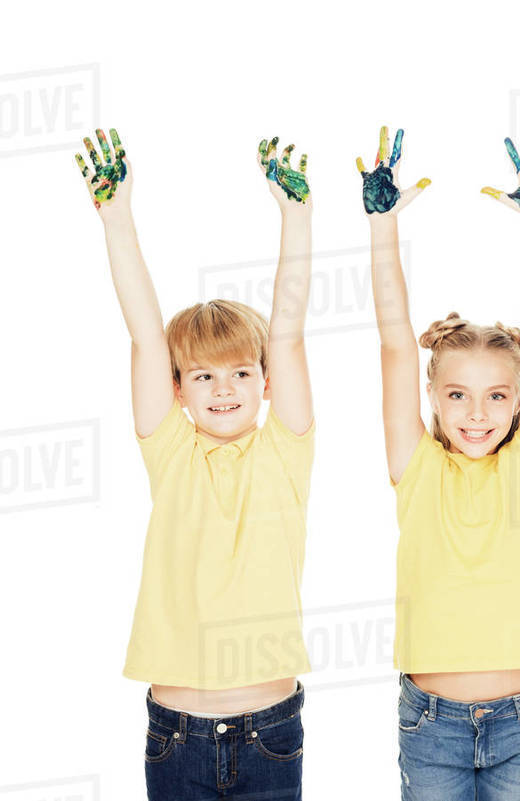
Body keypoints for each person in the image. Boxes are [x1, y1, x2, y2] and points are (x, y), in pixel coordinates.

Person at [78, 129, 316, 800]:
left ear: (265, 381)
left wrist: (296, 218)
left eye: (241, 371)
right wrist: (117, 217)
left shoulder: (286, 446)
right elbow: (146, 334)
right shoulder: (170, 448)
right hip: (175, 732)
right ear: (179, 389)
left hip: (271, 727)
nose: (224, 388)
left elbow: (290, 331)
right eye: (204, 376)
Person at [362, 126, 520, 800]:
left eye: (495, 396)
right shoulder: (415, 466)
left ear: (518, 401)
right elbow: (396, 344)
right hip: (431, 723)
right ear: (432, 395)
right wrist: (381, 226)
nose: (476, 413)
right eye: (457, 394)